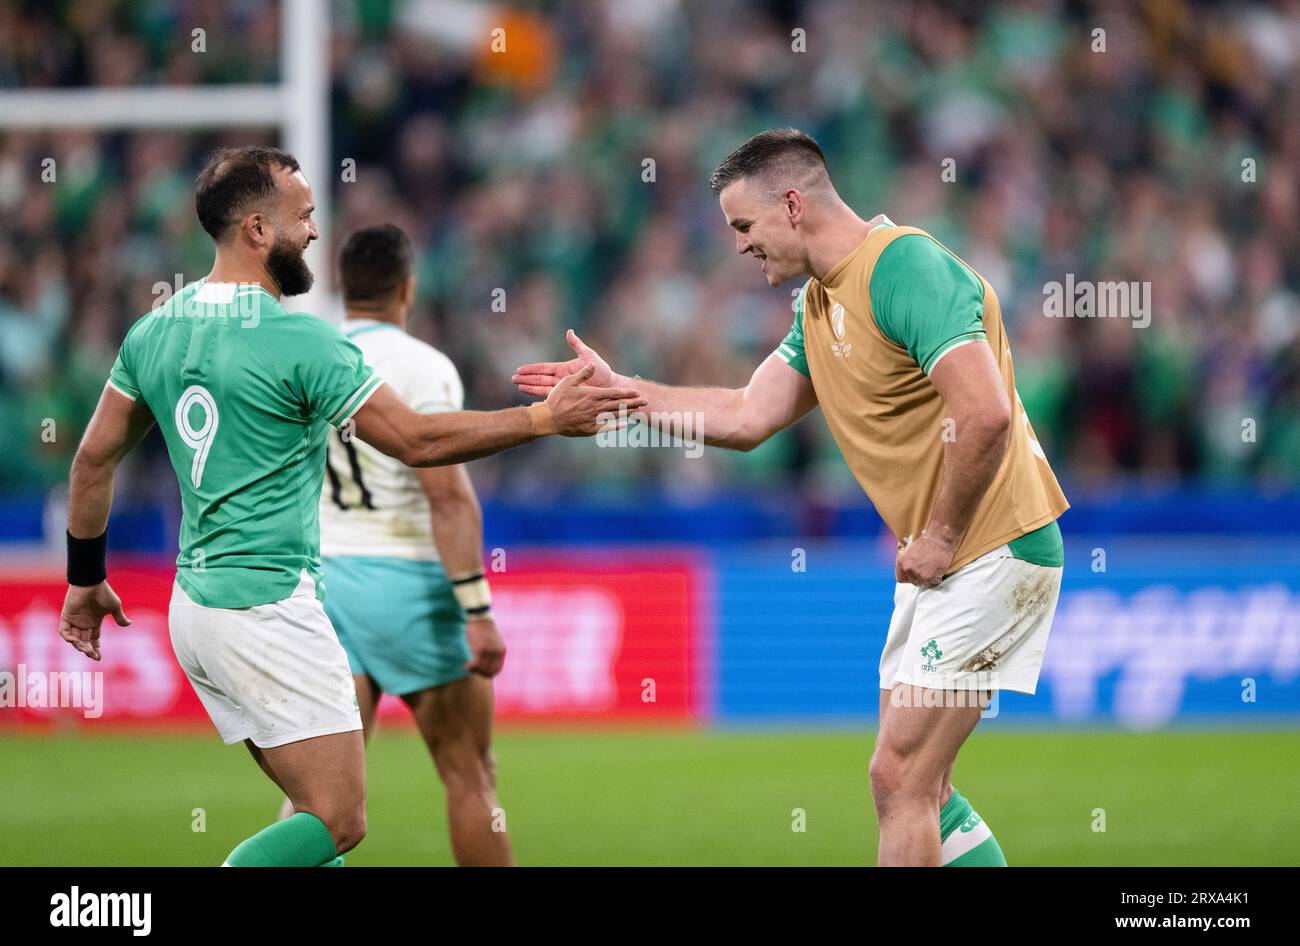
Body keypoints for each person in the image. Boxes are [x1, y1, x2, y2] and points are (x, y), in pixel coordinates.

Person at [58, 146, 642, 867]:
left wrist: (84, 579)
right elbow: (417, 441)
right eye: (302, 217)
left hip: (196, 608)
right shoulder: (300, 339)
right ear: (255, 230)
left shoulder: (152, 332)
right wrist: (541, 421)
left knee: (308, 819)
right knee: (338, 820)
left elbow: (92, 460)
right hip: (268, 605)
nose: (313, 233)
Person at [514, 128, 1069, 867]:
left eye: (745, 226)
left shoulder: (902, 267)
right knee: (924, 791)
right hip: (953, 556)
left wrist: (937, 535)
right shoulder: (820, 302)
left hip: (994, 543)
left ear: (795, 204)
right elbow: (749, 417)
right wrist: (628, 397)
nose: (740, 246)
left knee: (897, 776)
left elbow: (987, 412)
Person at [273, 223, 511, 865]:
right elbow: (449, 497)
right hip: (405, 581)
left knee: (317, 795)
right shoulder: (423, 367)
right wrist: (478, 611)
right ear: (409, 288)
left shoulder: (306, 353)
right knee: (468, 772)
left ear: (343, 286)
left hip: (320, 584)